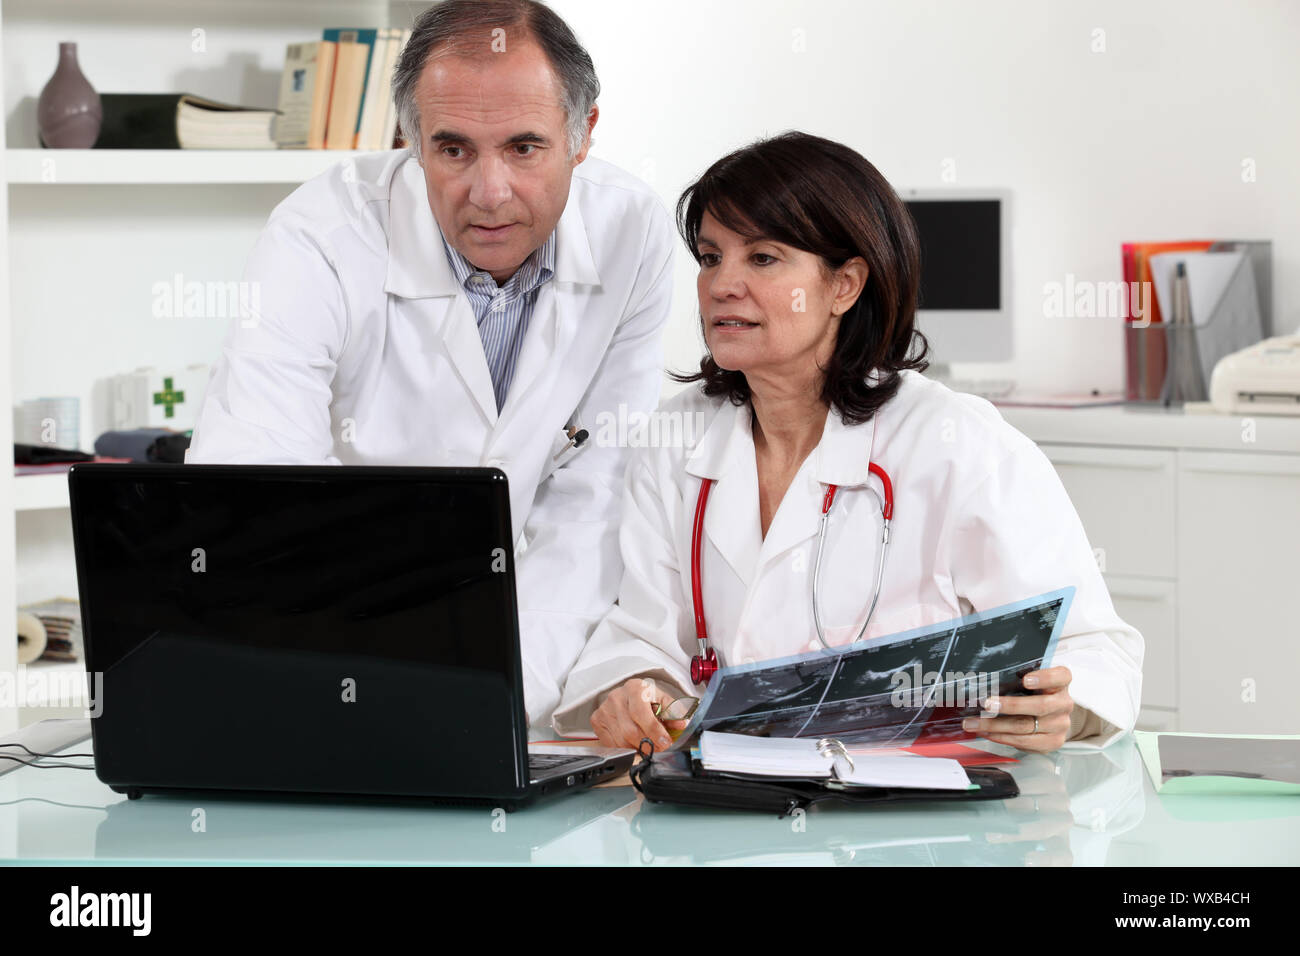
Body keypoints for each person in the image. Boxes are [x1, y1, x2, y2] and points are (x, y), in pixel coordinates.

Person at [553, 131, 1143, 752]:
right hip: (728, 817)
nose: (722, 284)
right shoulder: (674, 442)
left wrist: (1063, 706)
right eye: (709, 257)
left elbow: (1093, 648)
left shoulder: (956, 444)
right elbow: (642, 635)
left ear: (845, 285)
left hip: (908, 825)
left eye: (762, 258)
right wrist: (634, 686)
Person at [187, 0, 676, 727]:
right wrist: (378, 676)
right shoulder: (317, 237)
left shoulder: (631, 231)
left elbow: (597, 499)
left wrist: (503, 692)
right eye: (453, 150)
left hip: (525, 671)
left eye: (523, 148)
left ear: (583, 135)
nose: (489, 193)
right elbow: (254, 489)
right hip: (328, 649)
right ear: (410, 140)